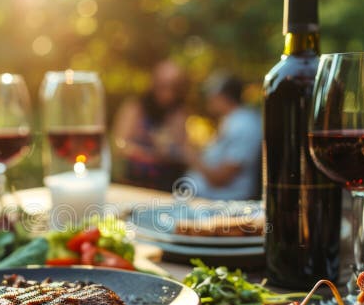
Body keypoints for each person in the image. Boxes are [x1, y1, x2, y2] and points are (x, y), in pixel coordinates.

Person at [182, 73, 261, 200]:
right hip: (205, 200)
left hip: (221, 205)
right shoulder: (232, 121)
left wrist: (192, 157)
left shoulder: (244, 125)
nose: (208, 99)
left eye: (211, 95)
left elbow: (221, 178)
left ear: (223, 96)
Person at [112, 60, 189, 191]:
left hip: (168, 181)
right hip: (135, 178)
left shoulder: (178, 112)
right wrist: (146, 155)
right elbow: (119, 144)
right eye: (163, 85)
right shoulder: (135, 107)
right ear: (154, 83)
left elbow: (183, 149)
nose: (168, 92)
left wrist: (170, 149)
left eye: (174, 86)